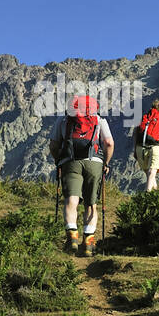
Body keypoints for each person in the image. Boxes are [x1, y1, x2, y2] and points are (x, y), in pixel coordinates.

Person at [50, 94, 114, 256]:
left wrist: (58, 160)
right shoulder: (99, 120)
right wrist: (105, 163)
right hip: (94, 163)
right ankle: (88, 242)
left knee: (71, 200)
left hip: (70, 162)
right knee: (91, 203)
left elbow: (54, 144)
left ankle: (72, 238)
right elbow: (109, 143)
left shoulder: (63, 120)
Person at [133, 98, 159, 191]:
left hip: (140, 147)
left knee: (149, 174)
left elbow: (136, 133)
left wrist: (135, 150)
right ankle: (147, 192)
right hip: (155, 148)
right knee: (152, 172)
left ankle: (155, 192)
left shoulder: (143, 118)